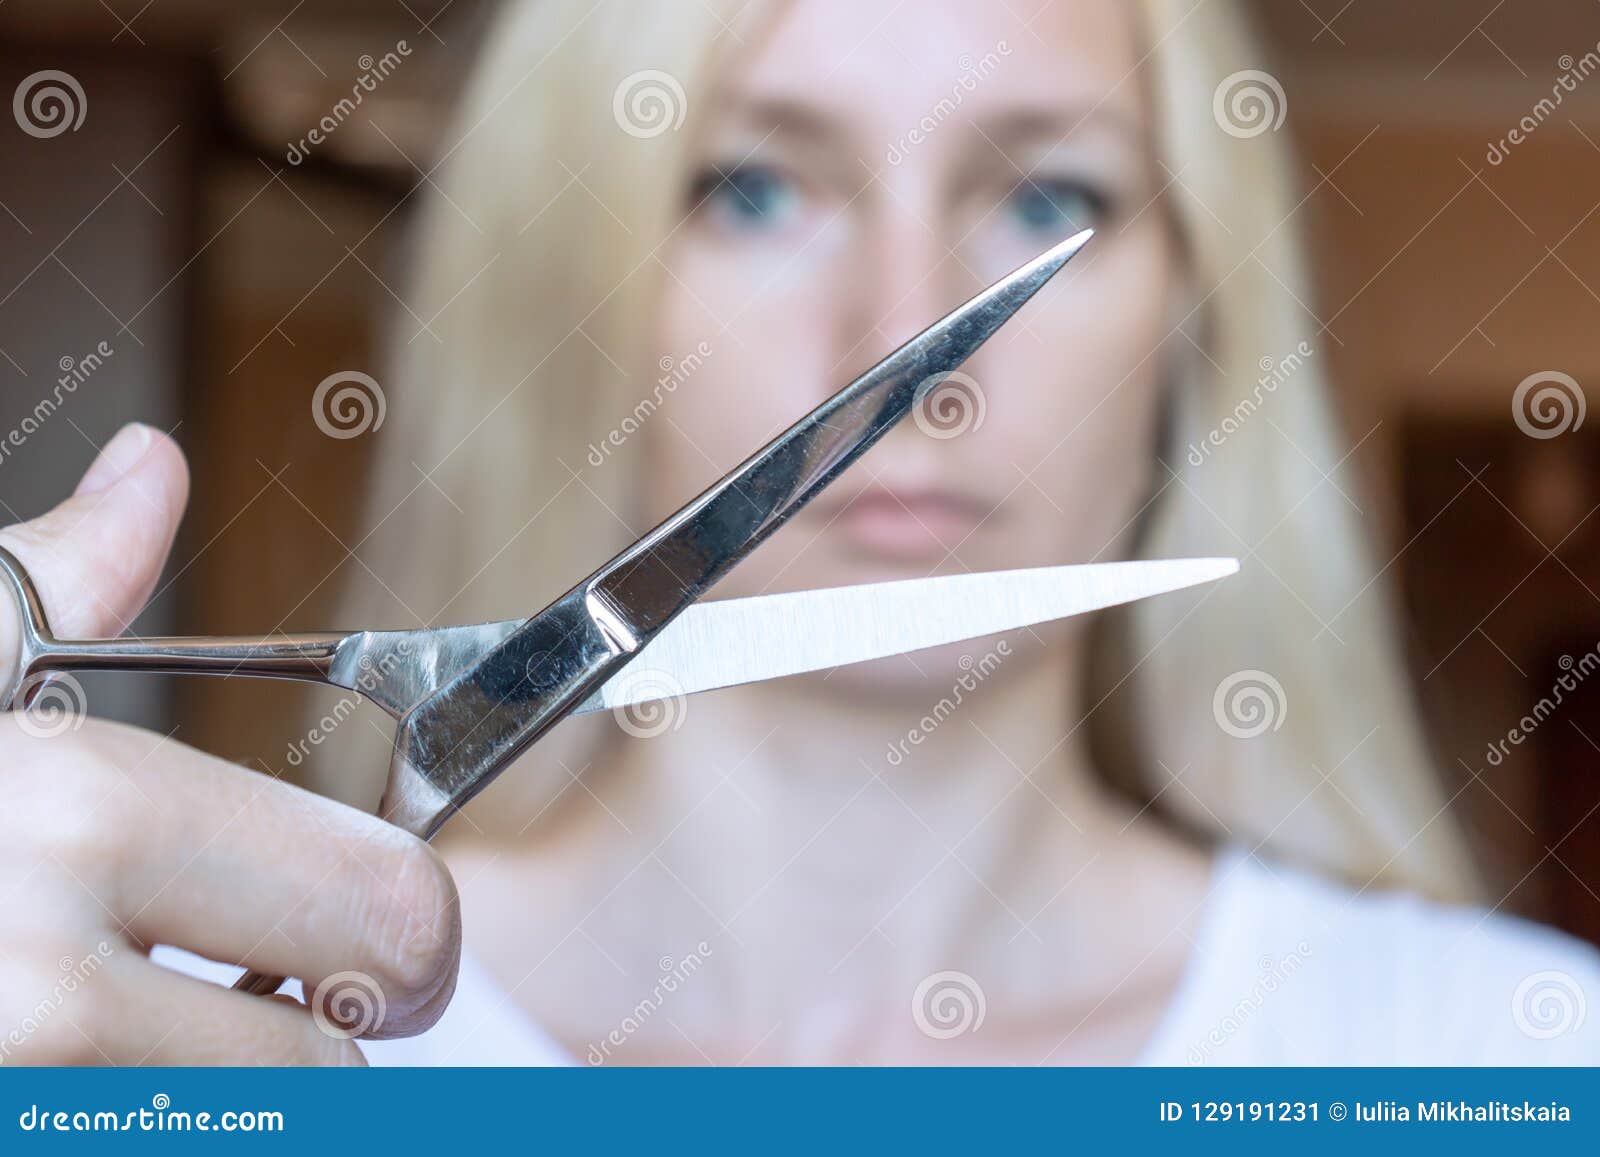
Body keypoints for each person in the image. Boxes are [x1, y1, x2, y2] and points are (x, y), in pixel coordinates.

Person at [2, 0, 1596, 1066]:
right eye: (758, 188)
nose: (906, 344)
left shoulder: (1507, 1054)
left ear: (1196, 325)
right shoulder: (160, 1050)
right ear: (576, 296)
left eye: (1048, 198)